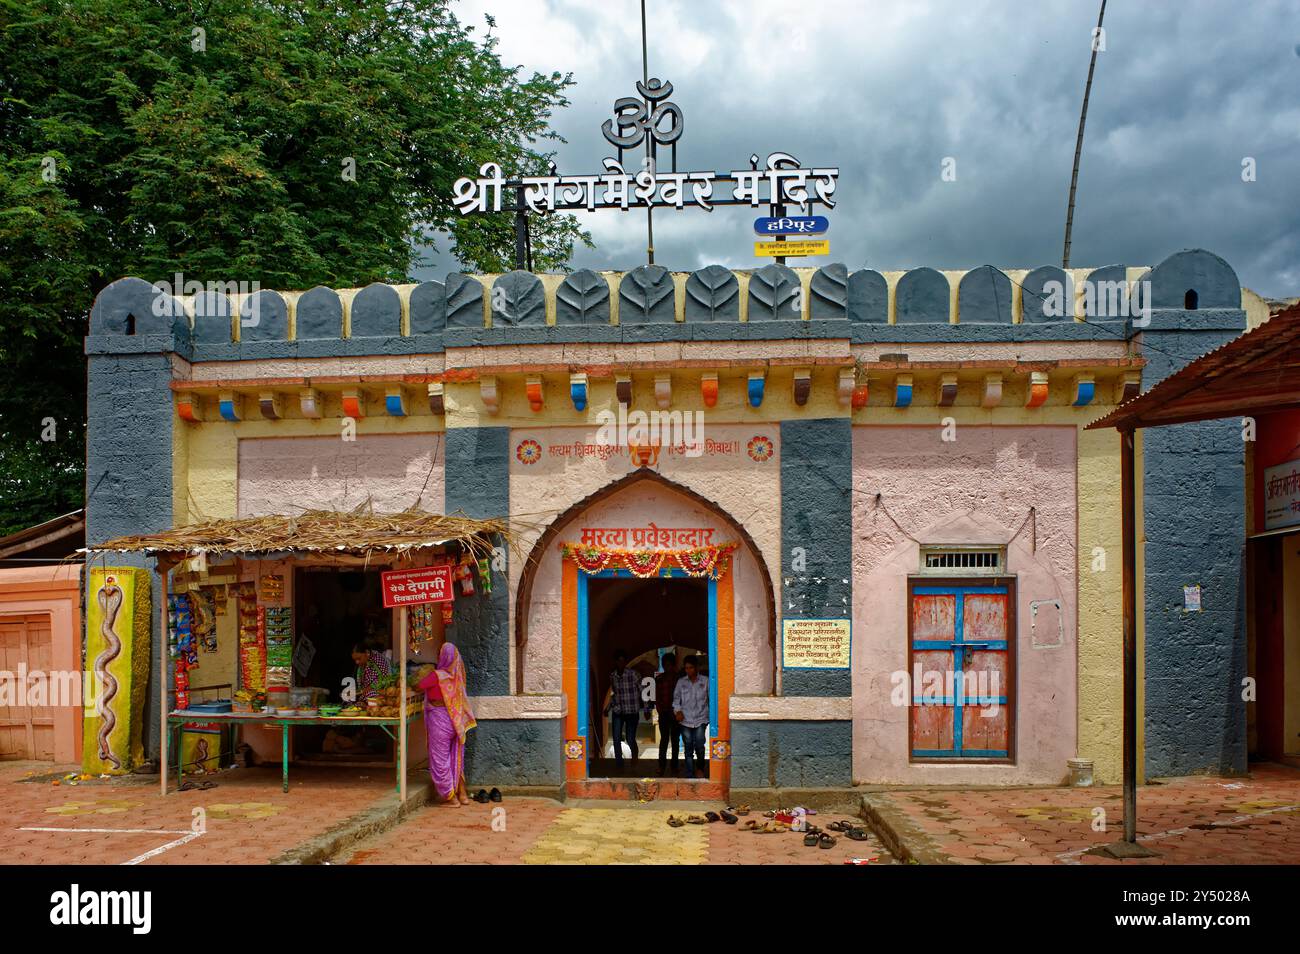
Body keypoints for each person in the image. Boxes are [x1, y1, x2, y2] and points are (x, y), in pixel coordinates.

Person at [417, 642, 477, 805]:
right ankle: (463, 794)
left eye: (439, 654)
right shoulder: (458, 677)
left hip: (439, 721)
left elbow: (419, 686)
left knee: (440, 759)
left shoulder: (437, 676)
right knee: (456, 758)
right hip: (456, 723)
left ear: (443, 657)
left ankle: (451, 797)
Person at [602, 649, 647, 771]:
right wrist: (607, 708)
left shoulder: (634, 674)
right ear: (616, 662)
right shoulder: (613, 676)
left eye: (623, 661)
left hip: (632, 711)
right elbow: (614, 694)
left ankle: (635, 754)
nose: (621, 663)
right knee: (616, 738)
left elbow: (643, 692)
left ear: (625, 662)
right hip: (618, 711)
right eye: (618, 661)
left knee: (630, 738)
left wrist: (646, 708)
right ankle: (619, 765)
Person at [672, 655, 710, 779]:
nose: (688, 670)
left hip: (701, 718)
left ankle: (700, 768)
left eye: (691, 668)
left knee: (699, 745)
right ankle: (689, 772)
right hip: (685, 720)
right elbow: (676, 699)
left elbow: (711, 698)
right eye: (686, 668)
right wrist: (677, 711)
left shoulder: (705, 681)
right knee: (688, 746)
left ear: (697, 667)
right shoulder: (681, 682)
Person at [655, 652, 682, 776]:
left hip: (676, 714)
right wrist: (661, 711)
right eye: (665, 665)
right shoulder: (659, 679)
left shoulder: (679, 679)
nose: (667, 667)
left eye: (669, 665)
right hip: (664, 714)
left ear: (673, 665)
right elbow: (657, 697)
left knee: (675, 741)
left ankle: (674, 766)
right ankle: (661, 766)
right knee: (664, 741)